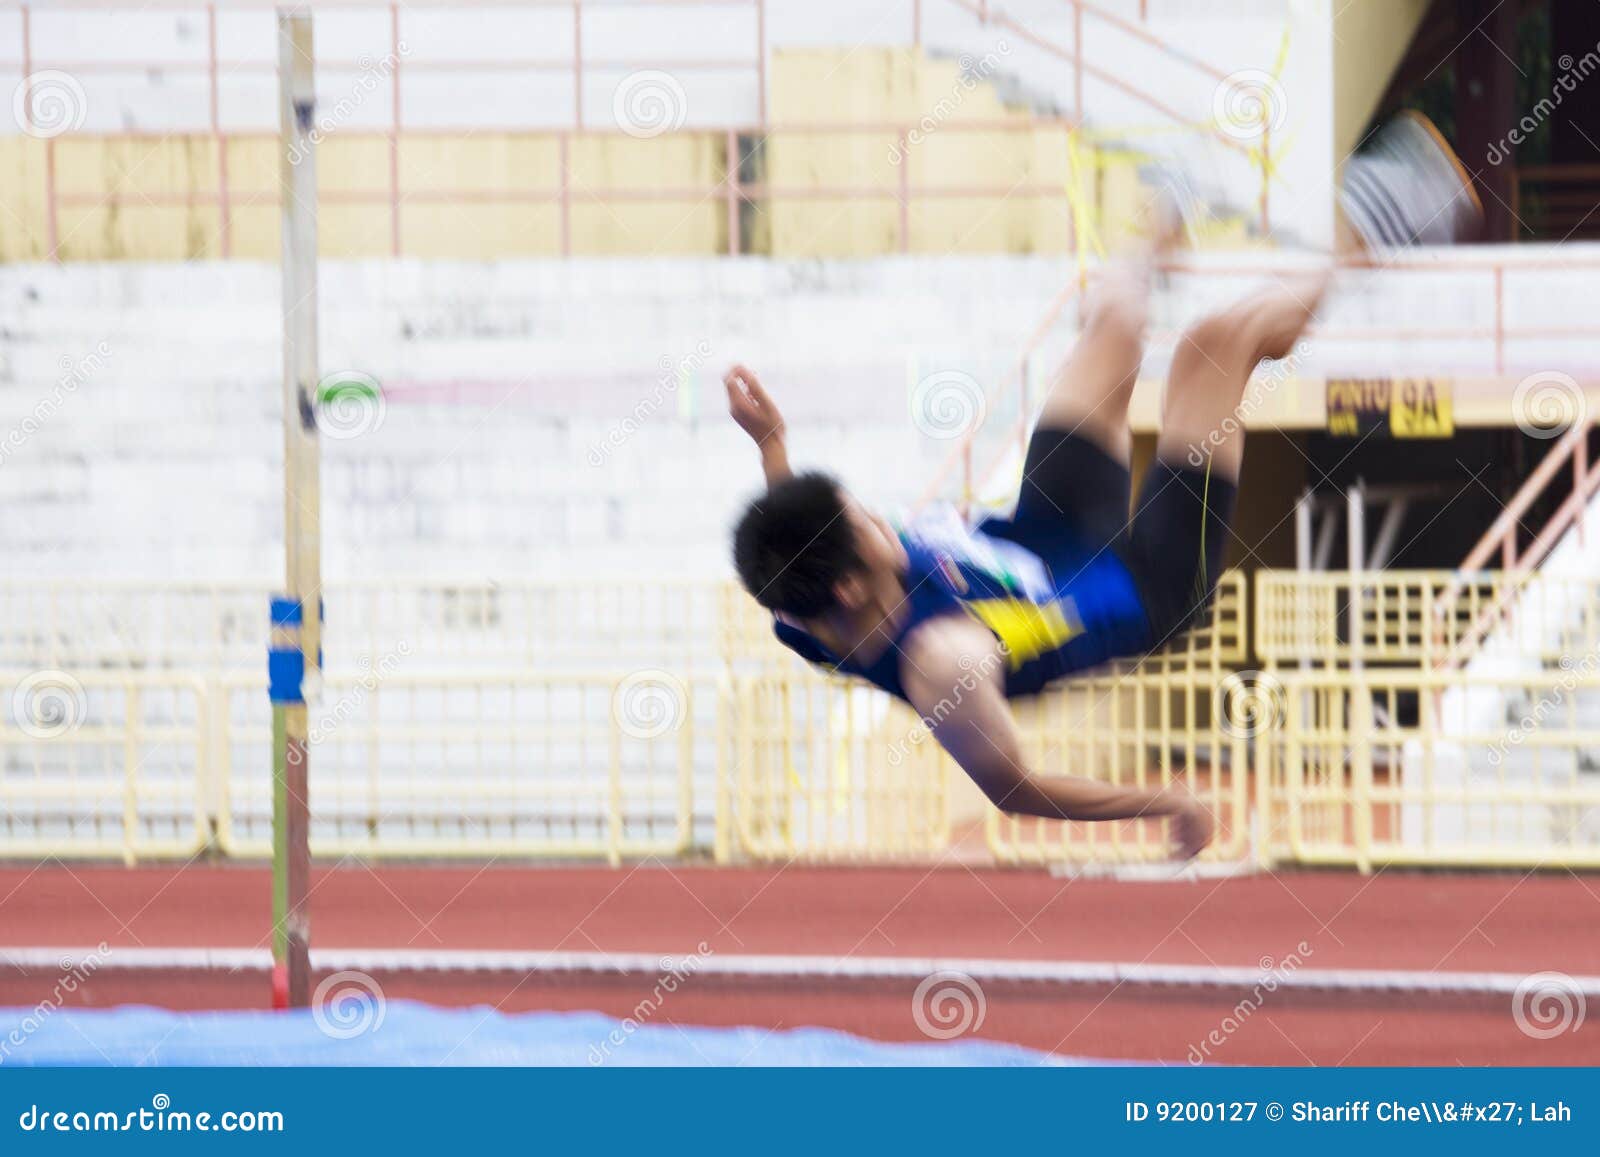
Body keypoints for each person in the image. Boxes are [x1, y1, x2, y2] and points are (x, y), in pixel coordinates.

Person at [726, 114, 1478, 860]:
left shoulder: (801, 605)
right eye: (866, 526)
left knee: (1114, 316)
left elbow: (790, 558)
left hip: (1044, 529)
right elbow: (1014, 787)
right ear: (855, 588)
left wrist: (772, 445)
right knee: (1213, 347)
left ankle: (1167, 215)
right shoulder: (942, 665)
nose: (877, 518)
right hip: (1145, 583)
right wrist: (1162, 803)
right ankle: (1368, 241)